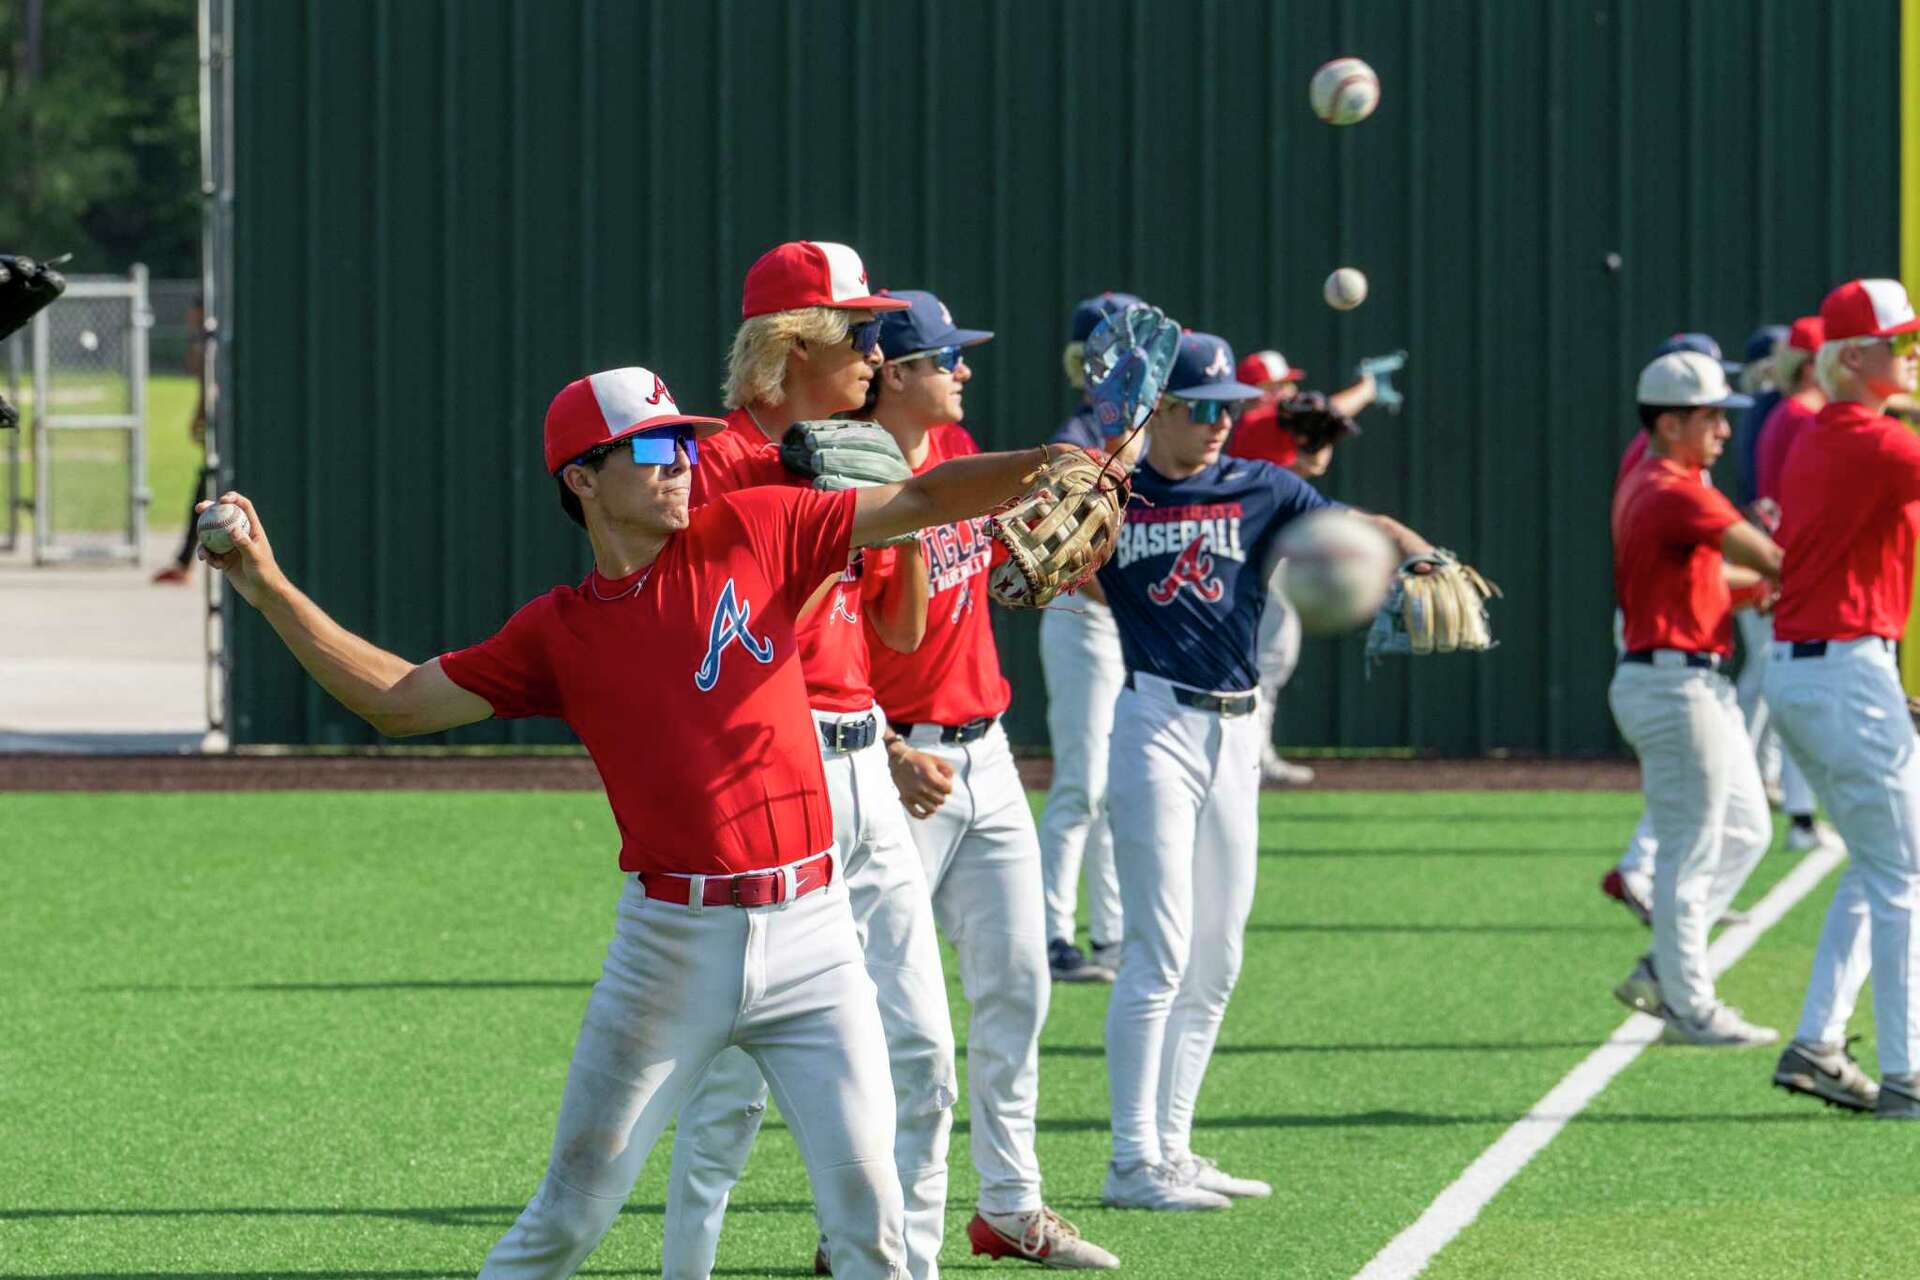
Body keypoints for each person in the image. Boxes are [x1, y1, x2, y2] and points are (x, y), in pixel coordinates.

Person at [196, 363, 1080, 1278]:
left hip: (818, 938)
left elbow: (925, 494)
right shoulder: (560, 633)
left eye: (686, 443)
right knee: (567, 1224)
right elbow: (397, 700)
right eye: (653, 448)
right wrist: (265, 585)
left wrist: (1054, 460)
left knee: (874, 1229)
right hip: (669, 949)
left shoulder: (757, 528)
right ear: (581, 479)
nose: (682, 464)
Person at [658, 242, 958, 1280]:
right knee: (729, 1089)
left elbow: (902, 633)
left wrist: (914, 508)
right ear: (793, 347)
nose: (879, 354)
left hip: (863, 764)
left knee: (921, 1049)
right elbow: (709, 646)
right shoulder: (708, 466)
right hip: (767, 778)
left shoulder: (860, 450)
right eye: (860, 333)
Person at [1096, 332, 1436, 1211]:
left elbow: (1353, 529)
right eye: (1199, 407)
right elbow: (1034, 559)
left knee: (1219, 955)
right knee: (1160, 950)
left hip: (1236, 733)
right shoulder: (1113, 491)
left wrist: (1419, 555)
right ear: (1159, 409)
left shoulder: (1262, 485)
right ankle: (1131, 1163)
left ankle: (1173, 1147)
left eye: (1227, 409)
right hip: (1155, 722)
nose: (1217, 424)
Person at [862, 290, 1121, 1269]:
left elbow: (1005, 565)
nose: (962, 370)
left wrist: (1064, 529)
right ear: (893, 374)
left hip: (991, 752)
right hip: (893, 766)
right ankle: (865, 1224)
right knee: (888, 1021)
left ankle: (1009, 1204)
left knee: (1017, 988)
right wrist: (882, 745)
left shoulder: (961, 451)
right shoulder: (849, 479)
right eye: (944, 358)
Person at [1766, 277, 1920, 1118]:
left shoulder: (1834, 430)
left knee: (1882, 867)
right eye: (1901, 342)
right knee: (1904, 877)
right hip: (1842, 670)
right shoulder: (1871, 438)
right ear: (1855, 357)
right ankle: (1907, 1072)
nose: (1913, 351)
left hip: (1827, 669)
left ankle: (1819, 1044)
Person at [1607, 351, 1782, 1046]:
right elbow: (1769, 556)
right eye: (1711, 416)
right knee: (1690, 848)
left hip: (1683, 677)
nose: (1724, 430)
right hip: (1674, 685)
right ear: (1673, 421)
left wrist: (1761, 584)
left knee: (1747, 830)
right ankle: (1689, 1004)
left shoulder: (1655, 478)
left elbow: (1715, 579)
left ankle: (1664, 969)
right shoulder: (1677, 487)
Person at [1037, 291, 1141, 986]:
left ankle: (1110, 934)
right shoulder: (1081, 435)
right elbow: (1080, 556)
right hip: (1086, 623)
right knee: (1081, 785)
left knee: (1114, 792)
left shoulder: (1146, 434)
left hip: (1132, 625)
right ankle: (1051, 937)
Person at [1228, 352, 1379, 785]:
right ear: (1260, 390)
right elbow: (1322, 412)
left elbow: (1312, 462)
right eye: (1282, 385)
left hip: (1256, 552)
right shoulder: (1257, 422)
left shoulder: (1259, 432)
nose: (1291, 392)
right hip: (1256, 553)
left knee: (1271, 657)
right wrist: (1366, 389)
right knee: (1268, 655)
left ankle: (1254, 754)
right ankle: (1253, 759)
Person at [1749, 314, 1829, 852]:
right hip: (1789, 570)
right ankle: (1798, 815)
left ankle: (1793, 809)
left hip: (1777, 562)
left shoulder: (1783, 412)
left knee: (1769, 687)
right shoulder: (1802, 417)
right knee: (1788, 694)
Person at [152, 296, 211, 584]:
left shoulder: (213, 340)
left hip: (223, 422)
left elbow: (208, 383)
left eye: (195, 317)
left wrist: (200, 415)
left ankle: (186, 561)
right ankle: (184, 560)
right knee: (204, 484)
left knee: (207, 485)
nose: (191, 322)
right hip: (216, 421)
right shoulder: (203, 341)